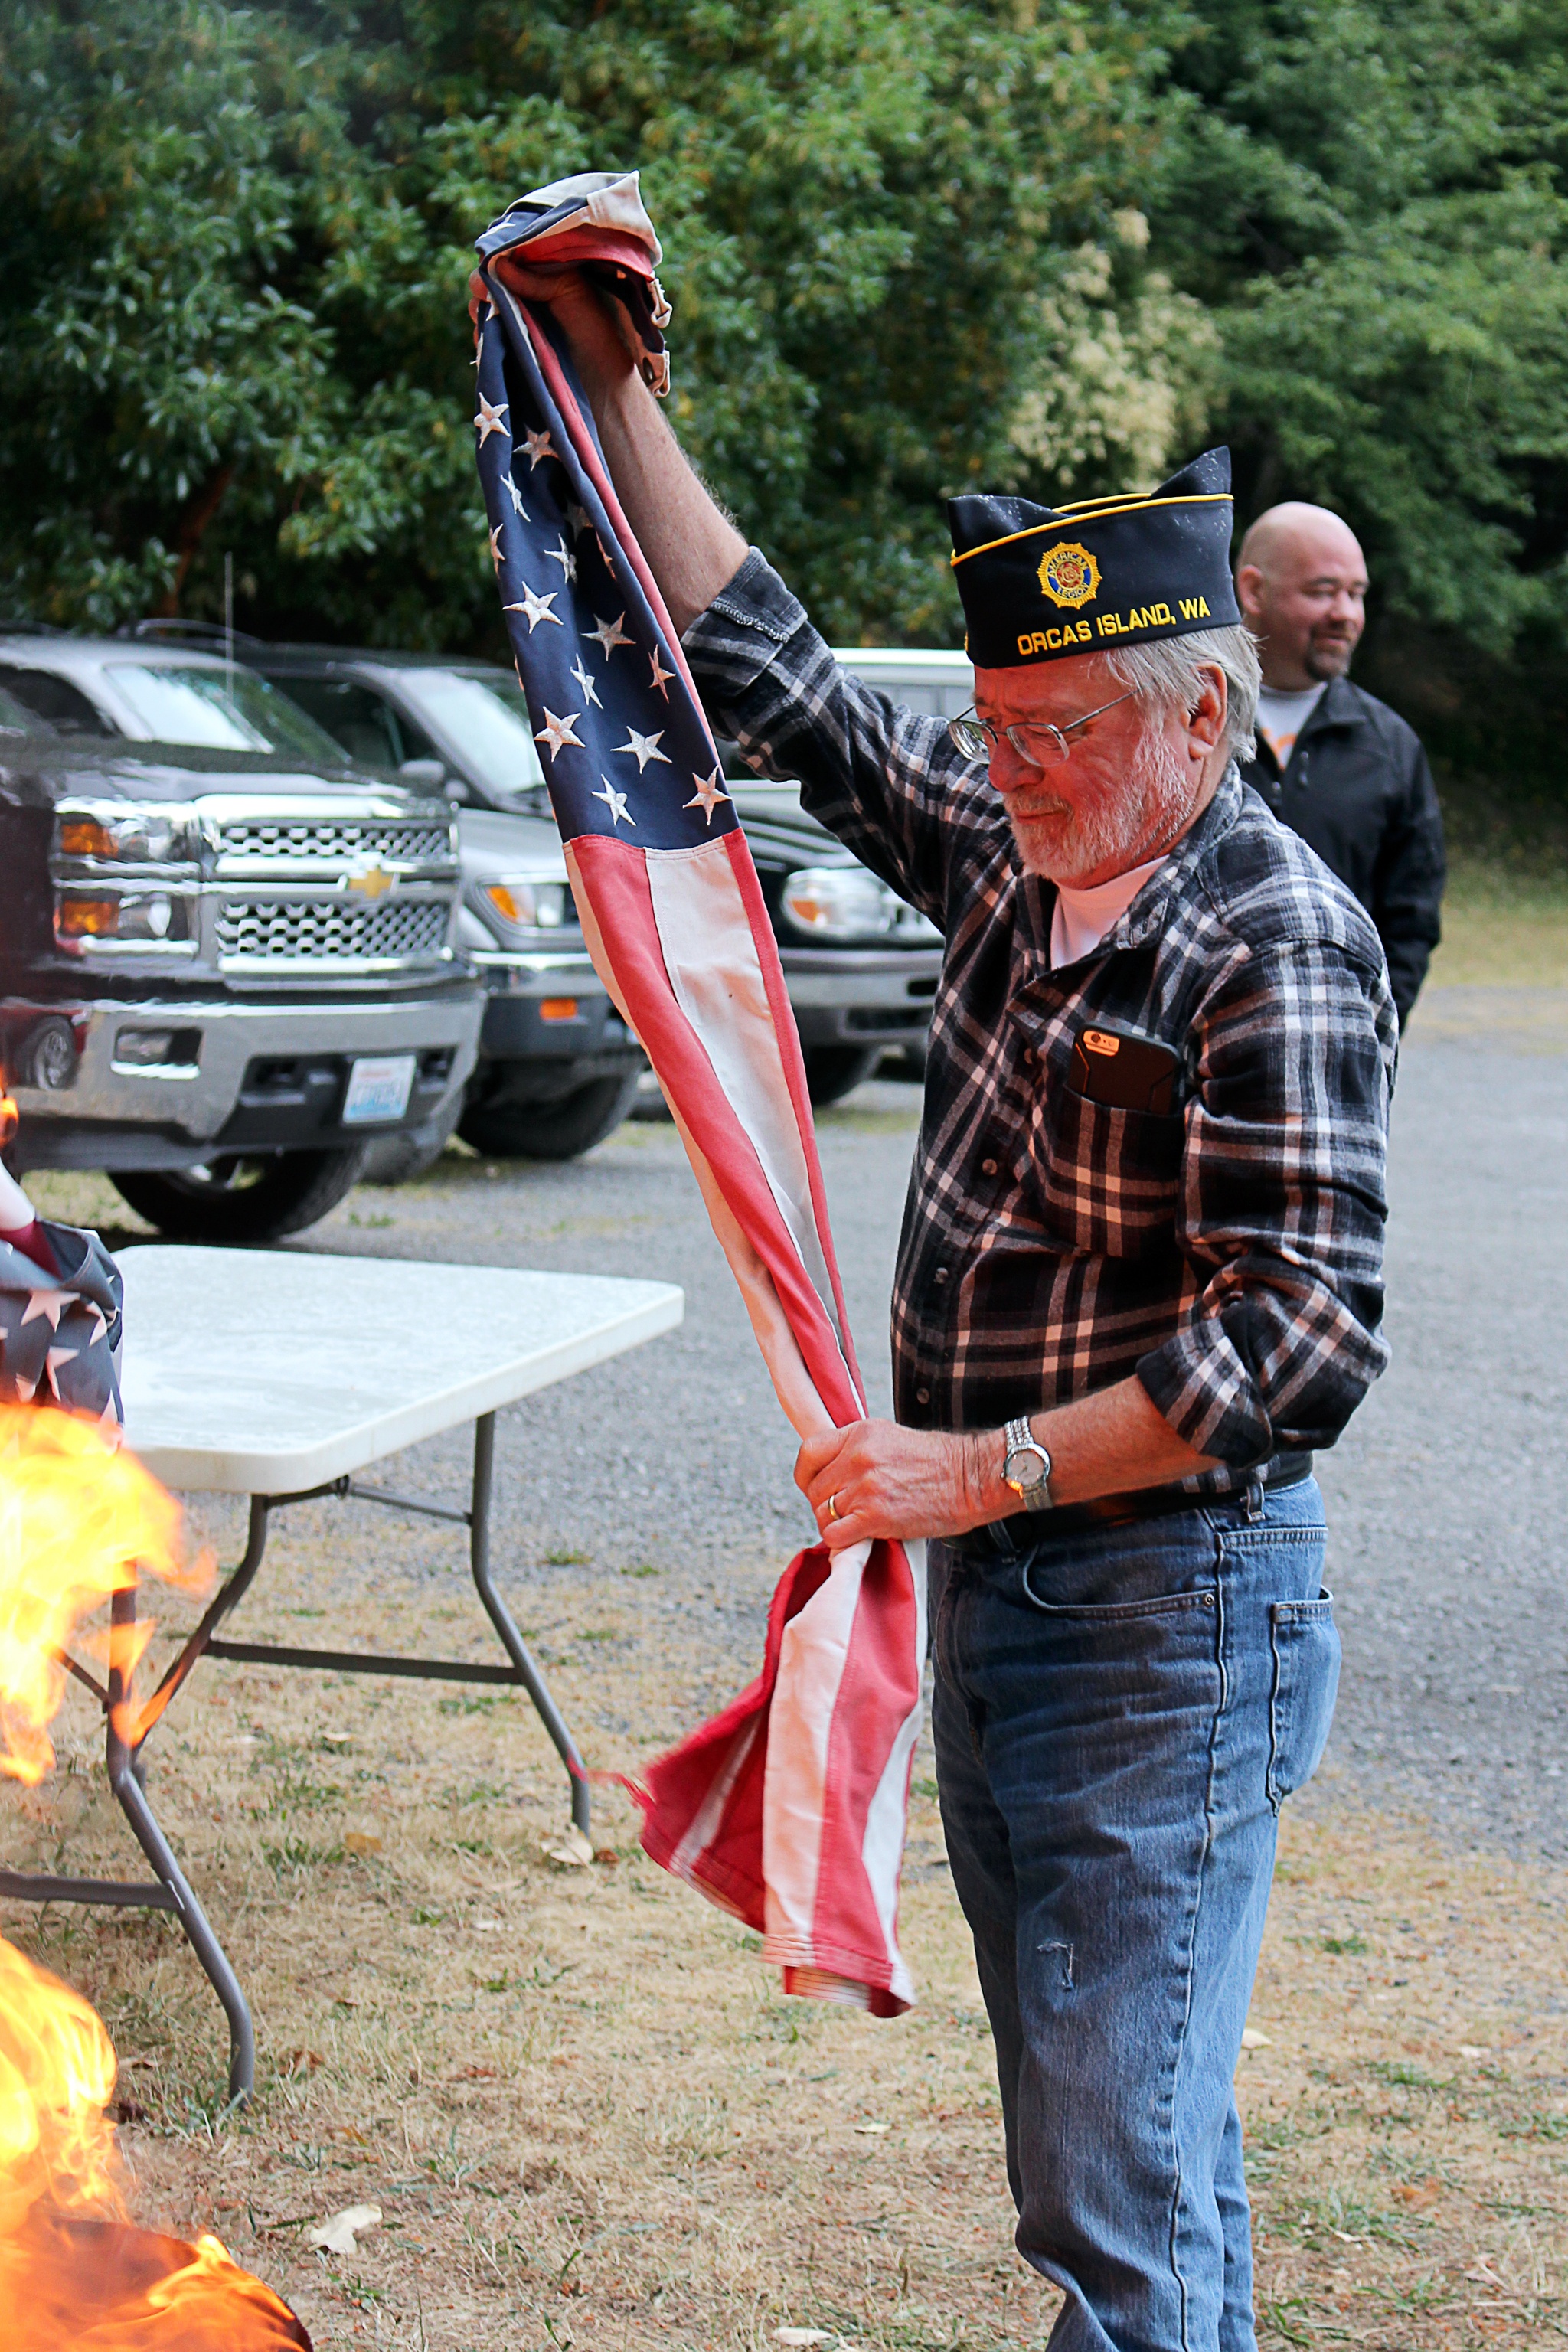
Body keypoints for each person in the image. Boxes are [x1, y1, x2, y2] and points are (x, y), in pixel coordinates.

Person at [495, 253, 1396, 2352]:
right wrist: (623, 397)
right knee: (1132, 2141)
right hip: (1018, 1592)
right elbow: (783, 678)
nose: (1012, 770)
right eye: (993, 728)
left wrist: (966, 1469)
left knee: (1112, 2185)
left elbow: (1304, 1342)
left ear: (1204, 713)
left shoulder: (1275, 933)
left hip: (1166, 1611)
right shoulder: (1015, 846)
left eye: (1060, 730)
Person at [1234, 502, 1446, 1024]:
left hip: (1337, 1056)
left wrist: (1369, 1029)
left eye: (1356, 594)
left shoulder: (1390, 748)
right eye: (1323, 591)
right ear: (1253, 590)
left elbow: (1411, 919)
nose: (1346, 614)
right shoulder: (1186, 725)